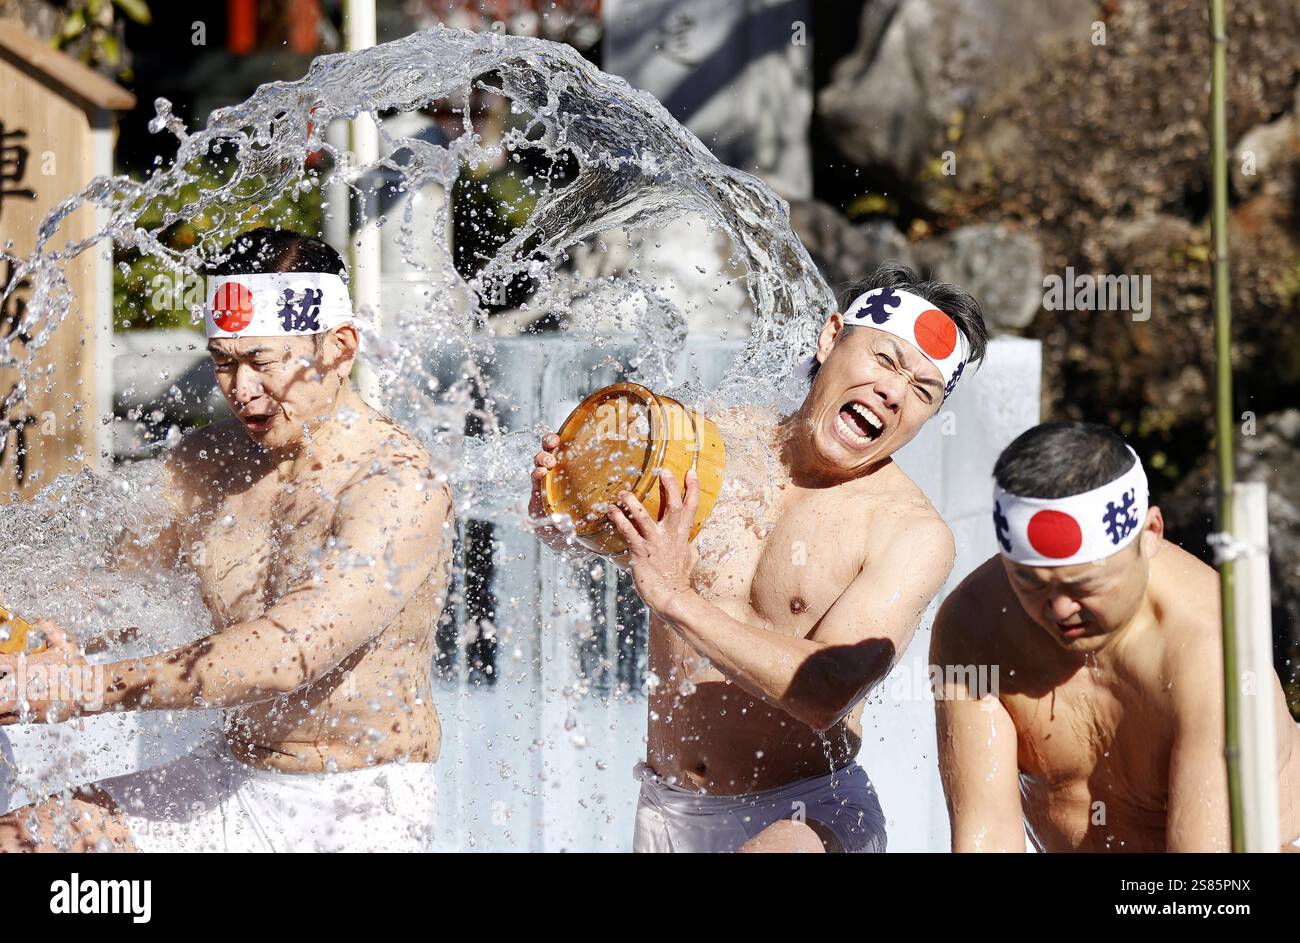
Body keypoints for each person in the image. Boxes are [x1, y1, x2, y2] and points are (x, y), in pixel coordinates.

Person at [0, 228, 452, 852]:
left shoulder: (398, 482)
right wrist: (38, 645)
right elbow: (114, 589)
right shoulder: (206, 461)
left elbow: (287, 654)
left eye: (261, 362)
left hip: (356, 804)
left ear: (339, 348)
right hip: (226, 772)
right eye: (222, 361)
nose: (239, 390)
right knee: (29, 841)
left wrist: (80, 690)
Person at [530, 262, 989, 852]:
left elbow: (826, 690)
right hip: (666, 812)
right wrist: (560, 505)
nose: (893, 393)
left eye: (923, 391)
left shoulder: (910, 533)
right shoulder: (713, 441)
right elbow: (595, 538)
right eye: (885, 360)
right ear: (830, 338)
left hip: (802, 819)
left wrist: (678, 601)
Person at [931, 420, 1300, 852]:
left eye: (1084, 585)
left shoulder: (1209, 654)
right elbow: (986, 836)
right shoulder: (974, 624)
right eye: (1031, 583)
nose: (1060, 609)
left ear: (1151, 536)